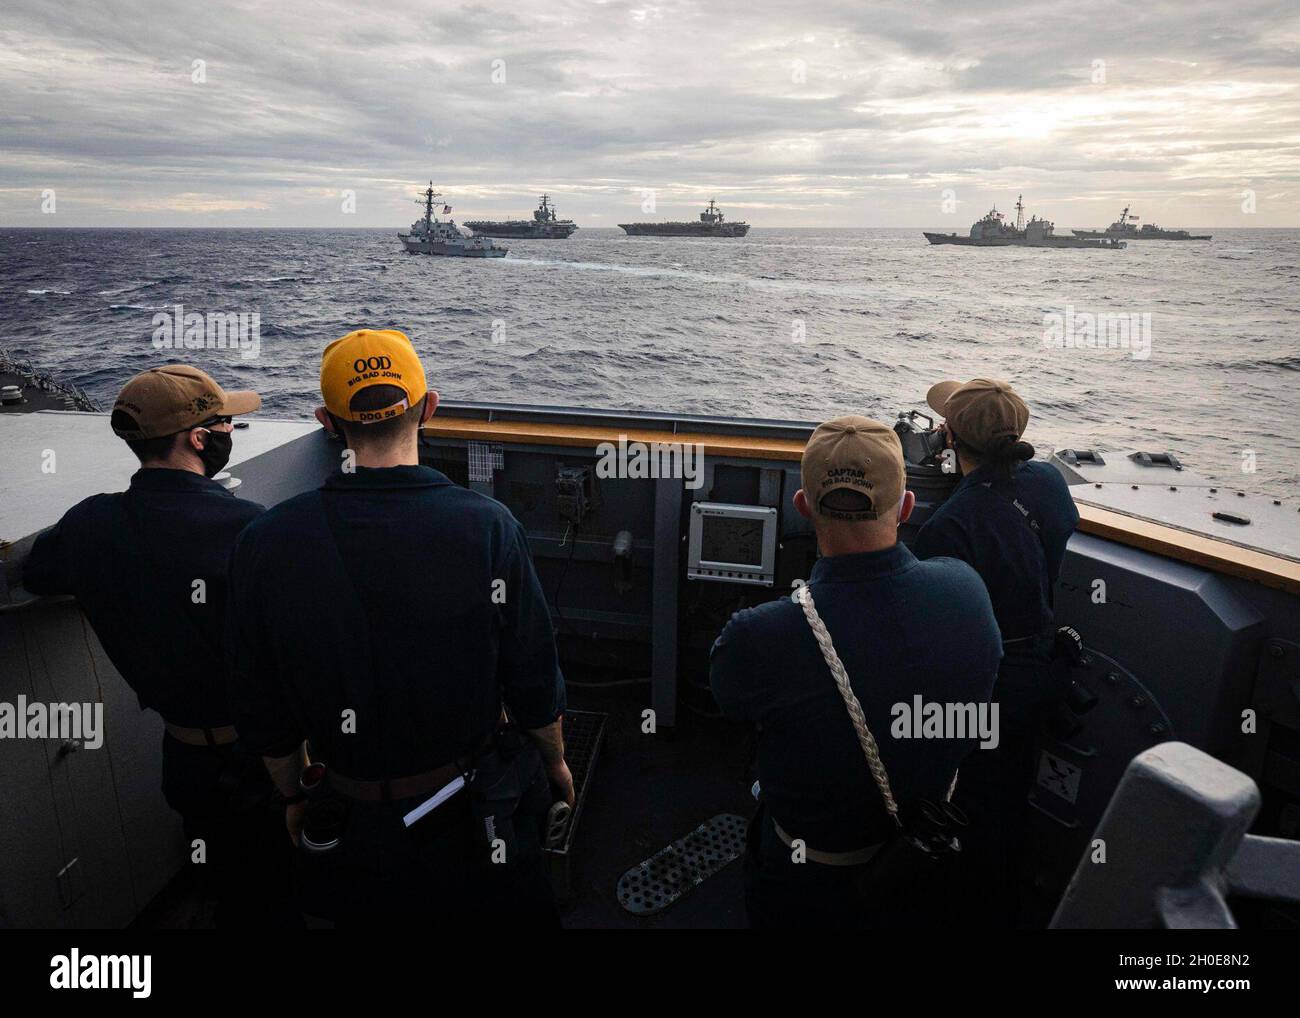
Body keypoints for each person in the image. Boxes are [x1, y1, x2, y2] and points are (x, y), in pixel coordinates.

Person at [226, 328, 572, 928]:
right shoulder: (488, 527)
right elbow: (533, 680)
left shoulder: (266, 541)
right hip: (472, 816)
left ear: (328, 423)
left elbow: (263, 708)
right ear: (429, 407)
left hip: (353, 824)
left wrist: (292, 796)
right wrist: (556, 764)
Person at [22, 364, 292, 927]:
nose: (227, 433)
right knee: (276, 886)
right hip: (262, 757)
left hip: (185, 761)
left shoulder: (91, 524)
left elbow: (38, 571)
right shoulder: (249, 527)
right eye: (224, 424)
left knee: (220, 880)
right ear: (199, 439)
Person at [710, 415, 1002, 928]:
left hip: (807, 885)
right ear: (907, 507)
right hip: (921, 866)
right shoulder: (968, 592)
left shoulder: (759, 636)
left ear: (801, 507)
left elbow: (732, 703)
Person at [912, 377, 1080, 927]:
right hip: (1043, 670)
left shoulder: (949, 526)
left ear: (948, 437)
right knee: (1011, 799)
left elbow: (940, 635)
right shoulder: (1050, 484)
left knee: (967, 800)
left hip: (990, 688)